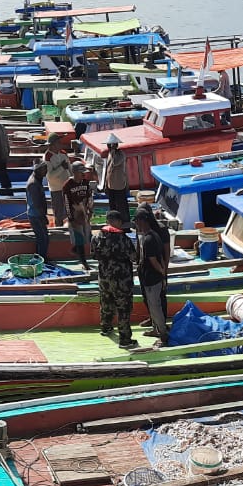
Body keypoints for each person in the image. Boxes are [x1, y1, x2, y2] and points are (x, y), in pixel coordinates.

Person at [93, 209, 138, 348]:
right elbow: (134, 257)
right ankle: (125, 339)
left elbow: (94, 255)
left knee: (106, 302)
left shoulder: (96, 237)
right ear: (118, 222)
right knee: (123, 308)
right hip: (122, 280)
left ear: (107, 220)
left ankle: (106, 328)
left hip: (104, 278)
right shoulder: (124, 239)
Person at [133, 207, 171, 344]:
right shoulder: (152, 235)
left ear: (143, 221)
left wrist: (162, 272)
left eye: (137, 221)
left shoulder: (149, 238)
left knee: (155, 308)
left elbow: (154, 260)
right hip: (151, 278)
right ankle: (156, 329)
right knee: (153, 305)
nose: (136, 225)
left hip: (152, 279)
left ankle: (163, 335)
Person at [61, 161, 94, 268]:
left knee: (87, 237)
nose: (83, 175)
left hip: (85, 214)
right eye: (81, 173)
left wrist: (90, 211)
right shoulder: (67, 185)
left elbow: (90, 197)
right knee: (79, 238)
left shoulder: (86, 183)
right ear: (74, 172)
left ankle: (76, 250)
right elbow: (66, 203)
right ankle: (84, 262)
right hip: (74, 216)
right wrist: (71, 219)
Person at [42, 132, 72, 227]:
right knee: (58, 212)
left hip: (67, 186)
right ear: (53, 145)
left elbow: (70, 168)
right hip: (56, 189)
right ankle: (59, 229)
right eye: (59, 142)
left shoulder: (63, 153)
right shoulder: (47, 157)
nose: (61, 144)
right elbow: (50, 176)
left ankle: (69, 228)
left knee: (70, 210)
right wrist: (62, 168)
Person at [101, 134, 130, 225]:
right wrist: (106, 185)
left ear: (116, 145)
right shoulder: (109, 154)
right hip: (111, 186)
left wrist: (113, 151)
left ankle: (125, 224)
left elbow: (115, 163)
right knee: (112, 206)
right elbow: (109, 170)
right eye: (108, 145)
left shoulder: (121, 154)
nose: (109, 147)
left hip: (119, 186)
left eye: (111, 145)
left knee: (122, 206)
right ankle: (113, 223)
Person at [24, 162, 50, 260]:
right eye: (44, 169)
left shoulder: (37, 180)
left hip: (36, 214)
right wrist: (43, 217)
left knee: (41, 238)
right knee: (43, 239)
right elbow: (36, 203)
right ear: (38, 170)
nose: (46, 172)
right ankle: (42, 259)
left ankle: (40, 258)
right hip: (36, 215)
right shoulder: (33, 184)